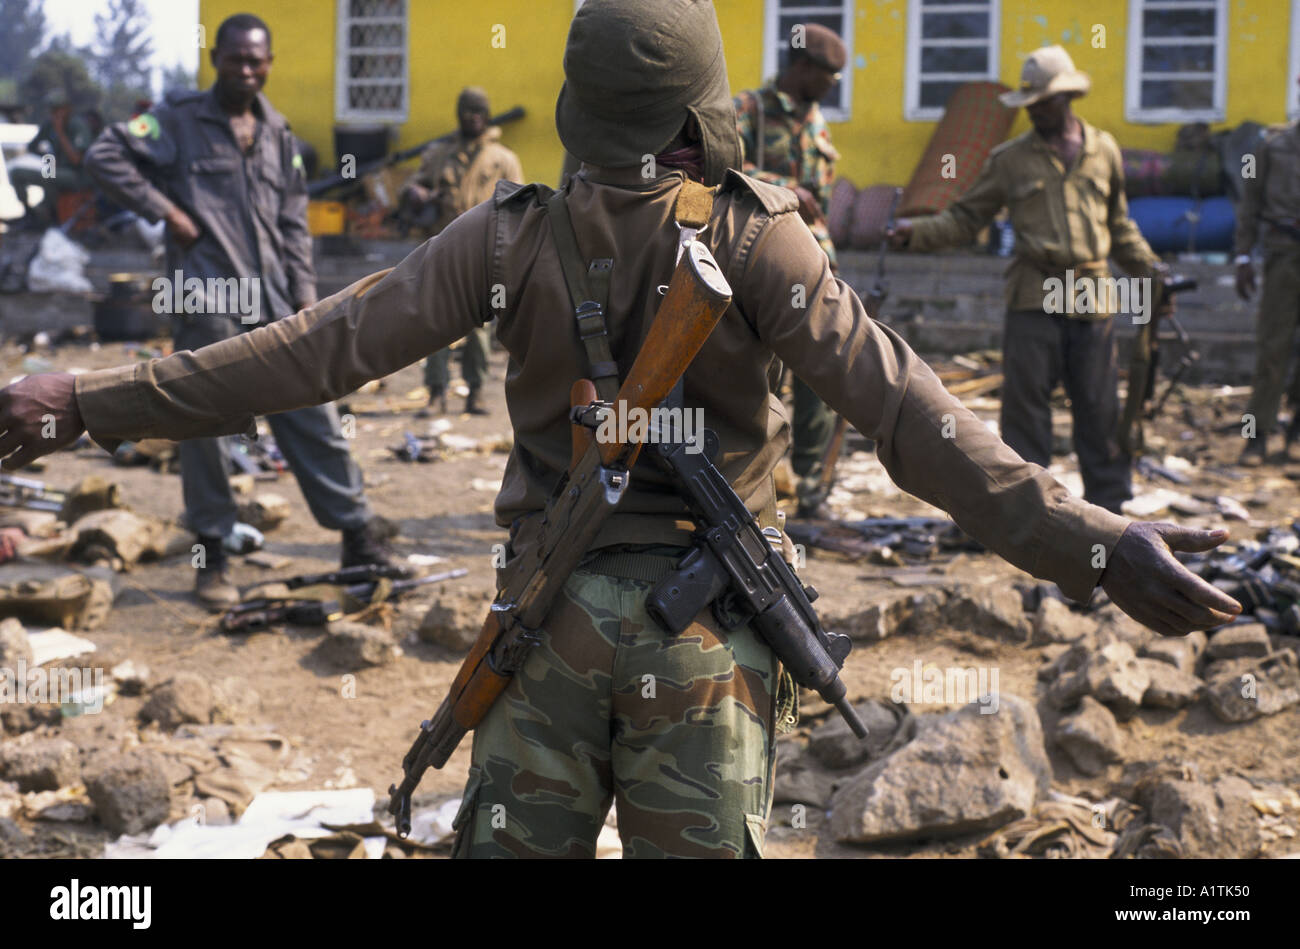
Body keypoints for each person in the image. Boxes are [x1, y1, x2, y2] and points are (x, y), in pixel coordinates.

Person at [0, 0, 1238, 859]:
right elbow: (910, 415)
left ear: (580, 107)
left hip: (536, 639)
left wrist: (83, 403)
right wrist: (1089, 542)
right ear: (703, 107)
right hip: (706, 658)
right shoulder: (763, 235)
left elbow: (313, 350)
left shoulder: (503, 237)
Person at [82, 13, 391, 610]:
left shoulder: (278, 134)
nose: (246, 70)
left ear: (269, 63)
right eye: (235, 59)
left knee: (311, 411)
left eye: (257, 61)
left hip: (275, 301)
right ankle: (213, 556)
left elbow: (294, 221)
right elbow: (105, 154)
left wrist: (306, 296)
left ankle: (357, 536)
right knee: (205, 428)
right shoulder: (174, 119)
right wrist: (166, 211)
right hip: (207, 299)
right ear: (216, 58)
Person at [890, 45, 1165, 515]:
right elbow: (964, 218)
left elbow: (1119, 226)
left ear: (1066, 99)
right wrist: (913, 234)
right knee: (1027, 415)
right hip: (1034, 296)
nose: (1035, 112)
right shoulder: (1009, 159)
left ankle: (1111, 514)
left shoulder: (1104, 151)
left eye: (1044, 103)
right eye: (1031, 105)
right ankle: (1030, 515)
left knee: (1100, 411)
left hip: (1092, 295)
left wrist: (1154, 275)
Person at [734, 24, 844, 518]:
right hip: (762, 267)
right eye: (828, 75)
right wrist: (786, 189)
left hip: (817, 266)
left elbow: (820, 198)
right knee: (760, 383)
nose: (834, 85)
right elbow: (722, 173)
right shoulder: (749, 110)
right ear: (801, 68)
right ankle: (755, 492)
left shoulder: (817, 122)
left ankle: (812, 490)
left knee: (821, 378)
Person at [399, 87, 524, 417]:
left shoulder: (503, 159)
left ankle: (476, 393)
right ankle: (436, 393)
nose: (471, 117)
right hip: (440, 251)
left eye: (478, 112)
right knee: (435, 325)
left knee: (479, 331)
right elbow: (413, 188)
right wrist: (416, 193)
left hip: (484, 256)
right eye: (466, 112)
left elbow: (520, 207)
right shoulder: (438, 154)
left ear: (487, 115)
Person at [1233, 82, 1300, 466]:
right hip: (1283, 254)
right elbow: (1250, 204)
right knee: (1272, 348)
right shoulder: (1272, 145)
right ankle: (1255, 436)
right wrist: (1243, 257)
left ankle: (1296, 434)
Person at [10, 90, 94, 230]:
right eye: (52, 109)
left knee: (49, 176)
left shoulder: (77, 126)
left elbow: (76, 160)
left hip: (77, 175)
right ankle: (31, 215)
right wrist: (48, 157)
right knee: (18, 173)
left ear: (67, 108)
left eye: (58, 108)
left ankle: (47, 216)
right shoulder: (49, 125)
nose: (55, 113)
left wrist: (60, 132)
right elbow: (32, 147)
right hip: (56, 169)